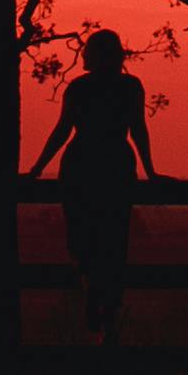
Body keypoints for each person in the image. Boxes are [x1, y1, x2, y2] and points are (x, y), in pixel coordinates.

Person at [24, 29, 158, 342]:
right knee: (112, 240)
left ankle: (93, 297)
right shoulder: (129, 87)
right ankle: (106, 309)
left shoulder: (81, 88)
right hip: (115, 166)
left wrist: (37, 170)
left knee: (84, 238)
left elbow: (62, 131)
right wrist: (150, 171)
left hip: (82, 166)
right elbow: (138, 129)